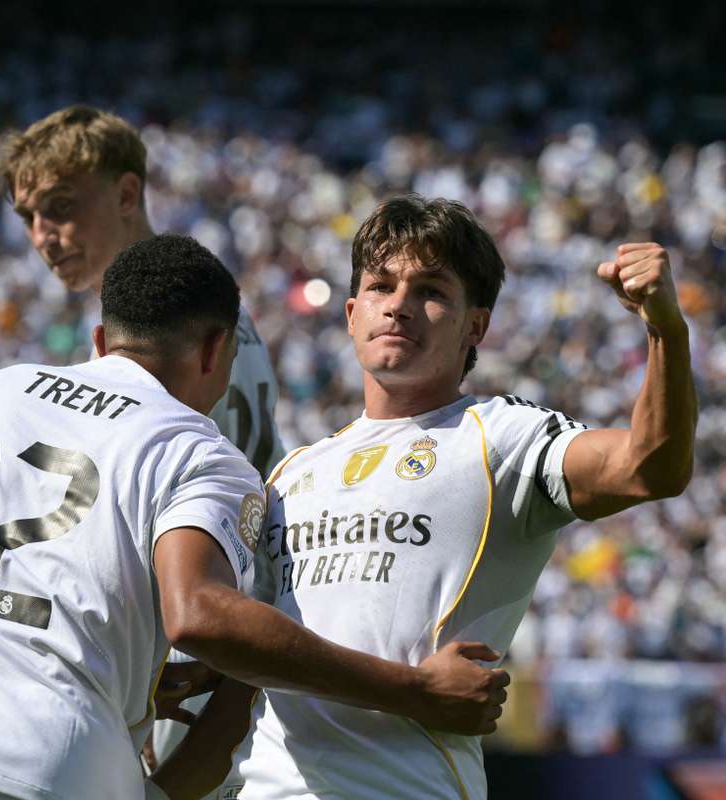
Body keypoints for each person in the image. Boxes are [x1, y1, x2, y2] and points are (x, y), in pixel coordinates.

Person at [0, 234, 509, 800]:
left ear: (100, 335)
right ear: (216, 350)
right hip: (53, 762)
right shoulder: (196, 448)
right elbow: (200, 615)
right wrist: (415, 688)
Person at [155, 195, 697, 800]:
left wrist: (664, 330)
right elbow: (249, 683)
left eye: (431, 290)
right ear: (353, 312)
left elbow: (651, 468)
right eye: (382, 286)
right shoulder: (290, 475)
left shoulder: (504, 436)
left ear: (476, 326)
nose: (399, 307)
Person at [1, 104, 286, 779]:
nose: (44, 235)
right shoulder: (185, 318)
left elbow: (211, 534)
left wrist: (176, 680)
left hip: (184, 677)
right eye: (28, 218)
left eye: (62, 207)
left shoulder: (189, 339)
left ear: (128, 193)